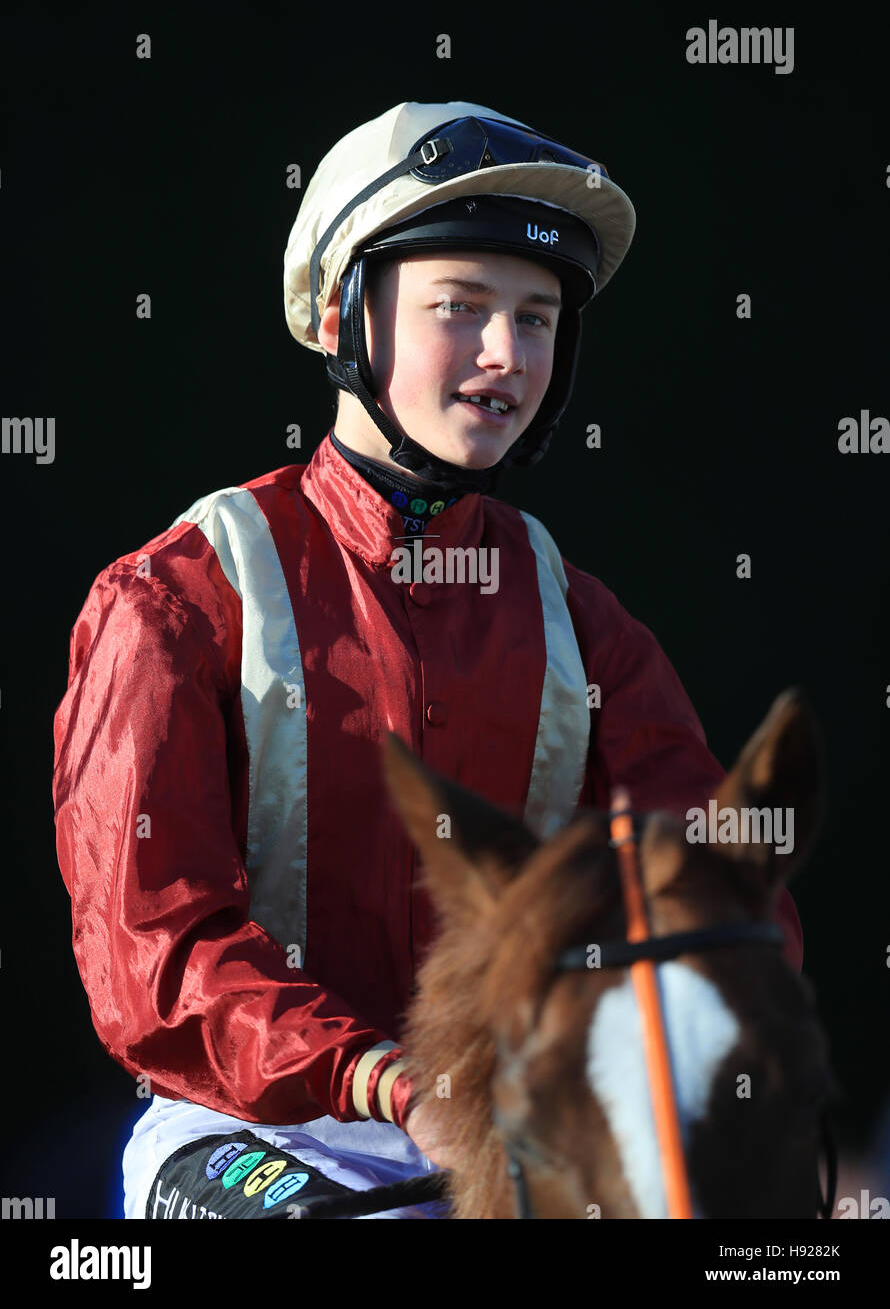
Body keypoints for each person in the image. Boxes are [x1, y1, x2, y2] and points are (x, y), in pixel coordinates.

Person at [52, 100, 803, 1221]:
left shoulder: (584, 622)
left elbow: (714, 887)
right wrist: (390, 1082)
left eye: (538, 319)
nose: (507, 353)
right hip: (254, 1132)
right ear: (343, 316)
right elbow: (156, 949)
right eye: (462, 308)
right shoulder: (172, 600)